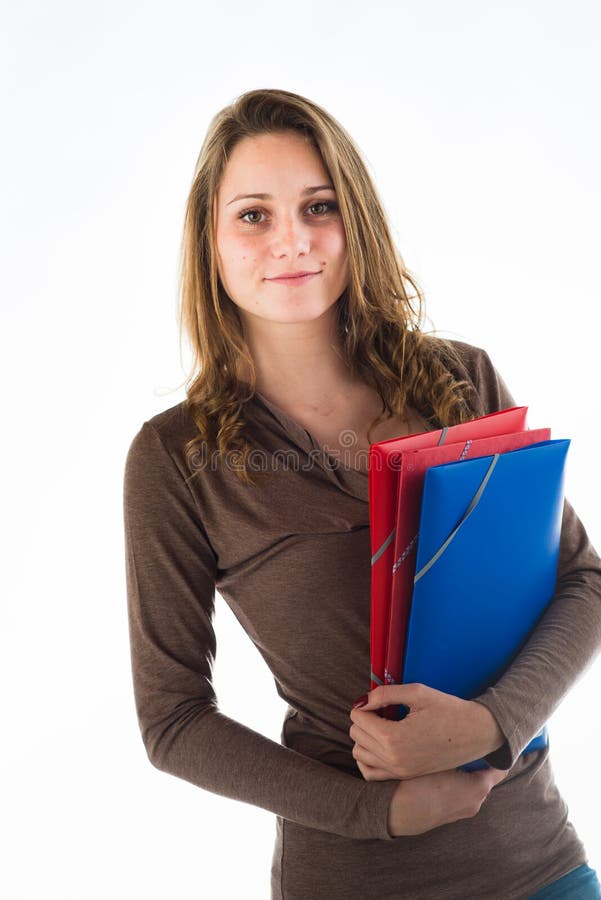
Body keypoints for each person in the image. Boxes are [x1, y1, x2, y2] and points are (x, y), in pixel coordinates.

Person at [122, 88, 601, 899]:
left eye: (319, 206)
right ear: (209, 240)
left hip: (537, 864)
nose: (292, 240)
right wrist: (377, 812)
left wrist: (490, 725)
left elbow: (581, 579)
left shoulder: (460, 379)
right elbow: (173, 721)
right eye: (252, 215)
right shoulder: (175, 457)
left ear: (356, 221)